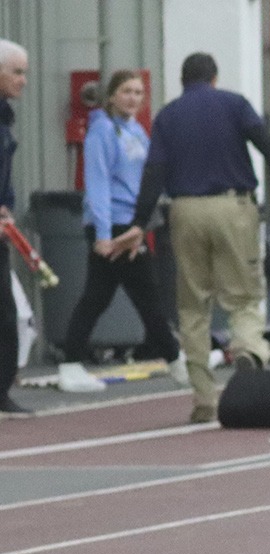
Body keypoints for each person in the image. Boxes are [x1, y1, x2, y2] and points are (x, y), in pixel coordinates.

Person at [113, 53, 270, 424]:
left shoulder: (168, 116)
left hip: (184, 210)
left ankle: (204, 398)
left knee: (192, 307)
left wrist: (138, 222)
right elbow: (266, 145)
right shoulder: (234, 104)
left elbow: (154, 170)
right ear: (215, 78)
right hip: (232, 207)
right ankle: (249, 352)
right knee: (243, 296)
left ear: (182, 80)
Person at [62, 70, 179, 392]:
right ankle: (176, 360)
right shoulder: (102, 131)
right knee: (145, 296)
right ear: (111, 96)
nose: (133, 98)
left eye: (139, 93)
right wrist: (102, 234)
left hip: (133, 223)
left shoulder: (137, 130)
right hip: (114, 224)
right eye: (126, 91)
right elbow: (97, 183)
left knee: (101, 296)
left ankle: (71, 362)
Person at [0, 39, 28, 416]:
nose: (24, 80)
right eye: (17, 72)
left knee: (6, 313)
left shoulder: (6, 118)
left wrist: (7, 206)